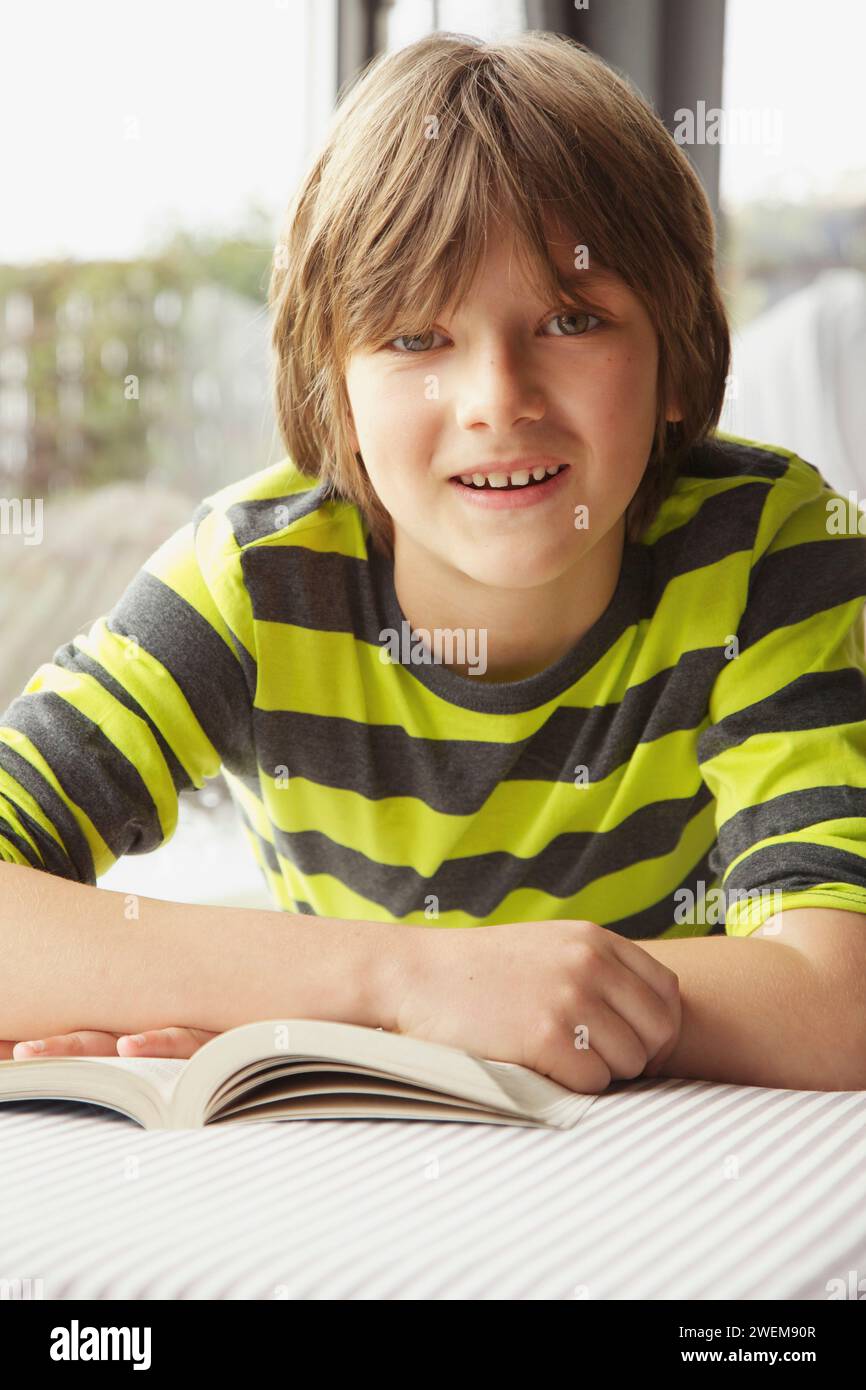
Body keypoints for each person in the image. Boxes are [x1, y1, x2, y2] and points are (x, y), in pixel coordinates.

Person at [2, 32, 866, 1093]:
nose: (496, 397)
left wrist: (394, 1005)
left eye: (568, 319)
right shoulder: (250, 580)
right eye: (414, 338)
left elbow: (833, 1002)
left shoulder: (767, 549)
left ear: (678, 359)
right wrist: (406, 982)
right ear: (335, 388)